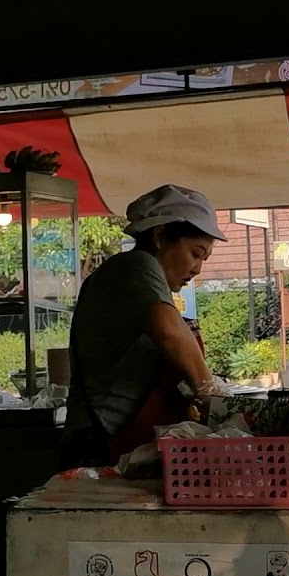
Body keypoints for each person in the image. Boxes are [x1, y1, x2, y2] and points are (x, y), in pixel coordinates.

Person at [61, 184, 229, 469]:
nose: (197, 268)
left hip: (119, 440)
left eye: (204, 259)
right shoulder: (135, 265)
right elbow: (170, 332)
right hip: (101, 443)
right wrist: (213, 395)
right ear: (160, 237)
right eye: (195, 253)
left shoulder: (143, 283)